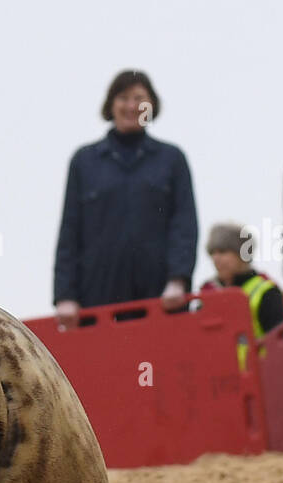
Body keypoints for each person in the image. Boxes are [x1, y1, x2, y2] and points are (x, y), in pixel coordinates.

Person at [53, 70, 198, 329]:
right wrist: (65, 295)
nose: (131, 106)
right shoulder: (84, 162)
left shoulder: (172, 159)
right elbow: (70, 231)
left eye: (139, 98)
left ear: (151, 105)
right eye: (123, 98)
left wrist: (179, 280)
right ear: (111, 105)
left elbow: (184, 224)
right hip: (97, 295)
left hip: (160, 296)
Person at [199, 223, 283, 371]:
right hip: (216, 384)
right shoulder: (205, 296)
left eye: (223, 251)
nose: (216, 258)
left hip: (259, 380)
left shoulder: (267, 292)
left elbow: (282, 345)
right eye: (213, 252)